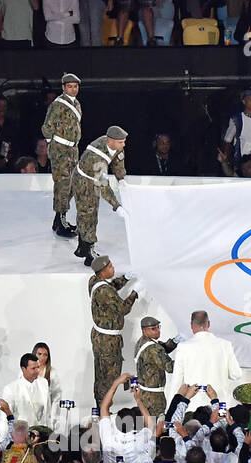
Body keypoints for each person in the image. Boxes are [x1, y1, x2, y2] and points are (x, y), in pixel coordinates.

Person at [87, 254, 142, 407]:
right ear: (102, 271)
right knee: (109, 378)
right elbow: (123, 308)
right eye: (110, 267)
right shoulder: (104, 290)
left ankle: (100, 408)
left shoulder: (94, 281)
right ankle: (104, 410)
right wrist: (134, 293)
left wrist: (126, 277)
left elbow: (112, 287)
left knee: (100, 375)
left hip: (100, 336)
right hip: (108, 342)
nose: (113, 268)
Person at [71, 125, 127, 265]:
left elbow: (118, 161)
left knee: (88, 213)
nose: (123, 144)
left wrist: (121, 179)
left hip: (93, 177)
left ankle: (82, 247)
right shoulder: (97, 158)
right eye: (121, 142)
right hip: (83, 181)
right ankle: (89, 252)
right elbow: (103, 186)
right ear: (110, 141)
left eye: (124, 141)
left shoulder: (114, 145)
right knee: (88, 213)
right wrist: (116, 205)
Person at [168, 311, 244, 411]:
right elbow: (236, 374)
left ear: (191, 325)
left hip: (193, 406)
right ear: (208, 323)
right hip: (219, 404)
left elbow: (176, 381)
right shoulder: (225, 345)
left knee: (193, 426)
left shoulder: (183, 347)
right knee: (219, 426)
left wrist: (170, 409)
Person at [42, 73, 83, 238]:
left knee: (71, 185)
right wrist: (54, 144)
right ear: (64, 88)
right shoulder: (58, 105)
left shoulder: (76, 103)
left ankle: (58, 219)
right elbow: (47, 127)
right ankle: (61, 221)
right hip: (61, 150)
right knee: (63, 185)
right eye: (70, 86)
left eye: (75, 86)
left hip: (73, 150)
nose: (73, 89)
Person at [133, 316, 176, 417]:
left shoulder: (142, 342)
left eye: (158, 327)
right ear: (144, 330)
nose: (158, 331)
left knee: (144, 424)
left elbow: (162, 349)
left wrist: (176, 340)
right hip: (154, 397)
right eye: (153, 328)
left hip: (143, 393)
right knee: (156, 426)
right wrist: (186, 361)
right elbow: (169, 367)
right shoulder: (153, 348)